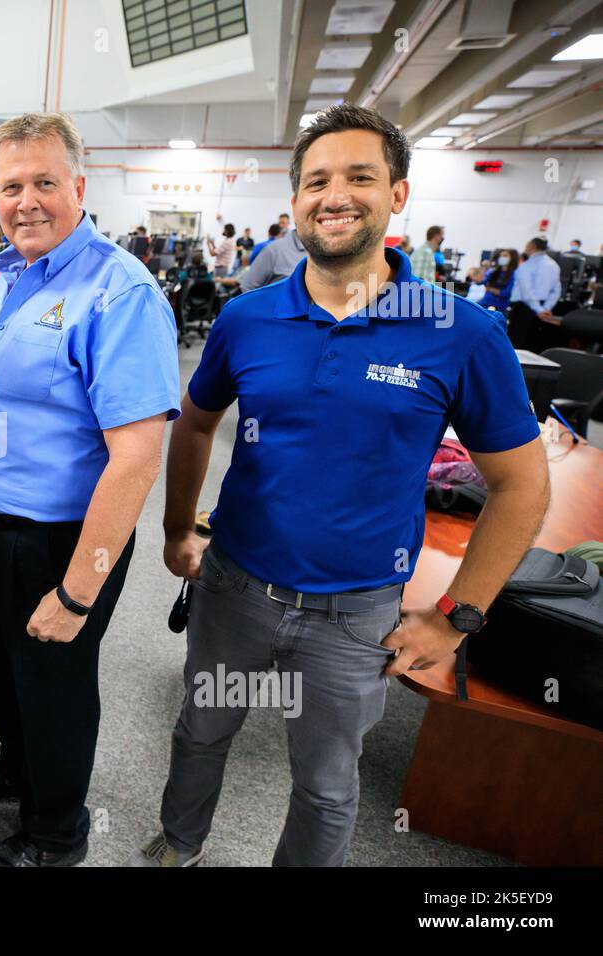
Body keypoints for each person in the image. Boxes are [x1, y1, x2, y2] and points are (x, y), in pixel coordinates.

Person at [136, 103, 548, 868]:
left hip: (356, 617)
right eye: (317, 180)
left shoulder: (461, 331)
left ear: (398, 194)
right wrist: (174, 531)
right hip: (234, 591)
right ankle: (179, 846)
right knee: (201, 732)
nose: (336, 195)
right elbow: (193, 423)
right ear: (294, 201)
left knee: (326, 786)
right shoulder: (247, 319)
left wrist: (460, 618)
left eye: (360, 176)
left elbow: (521, 486)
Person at [0, 112, 180, 867]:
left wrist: (80, 589)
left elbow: (138, 458)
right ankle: (20, 770)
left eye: (45, 183)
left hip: (61, 541)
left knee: (54, 687)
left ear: (78, 187)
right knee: (1, 667)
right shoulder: (9, 276)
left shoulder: (121, 291)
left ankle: (57, 834)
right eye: (11, 186)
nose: (27, 201)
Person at [507, 236, 562, 351]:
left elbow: (526, 291)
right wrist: (546, 308)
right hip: (543, 310)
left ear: (532, 246)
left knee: (517, 345)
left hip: (525, 309)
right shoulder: (554, 265)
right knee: (532, 345)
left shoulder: (527, 266)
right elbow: (556, 290)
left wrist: (539, 310)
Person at [239, 224, 307, 292]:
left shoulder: (260, 246)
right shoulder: (274, 249)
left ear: (268, 232)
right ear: (280, 233)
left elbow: (250, 261)